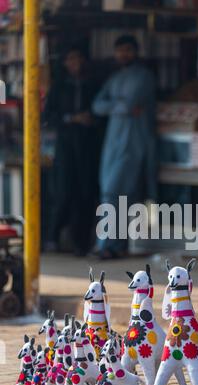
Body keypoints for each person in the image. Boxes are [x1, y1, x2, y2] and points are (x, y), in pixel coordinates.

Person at [92, 35, 157, 260]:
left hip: (134, 143)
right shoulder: (114, 78)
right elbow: (97, 106)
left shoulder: (144, 77)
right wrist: (120, 106)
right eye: (120, 51)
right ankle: (111, 245)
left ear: (136, 52)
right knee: (112, 194)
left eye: (128, 50)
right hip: (113, 143)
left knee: (117, 195)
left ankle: (107, 245)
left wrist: (116, 105)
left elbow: (129, 104)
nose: (123, 55)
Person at [43, 46, 100, 256]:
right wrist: (72, 119)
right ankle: (52, 238)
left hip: (88, 147)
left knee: (84, 194)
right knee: (62, 193)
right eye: (70, 58)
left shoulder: (93, 85)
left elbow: (101, 113)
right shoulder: (59, 86)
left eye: (78, 58)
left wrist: (90, 119)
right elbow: (48, 116)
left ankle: (81, 243)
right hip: (65, 146)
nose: (74, 63)